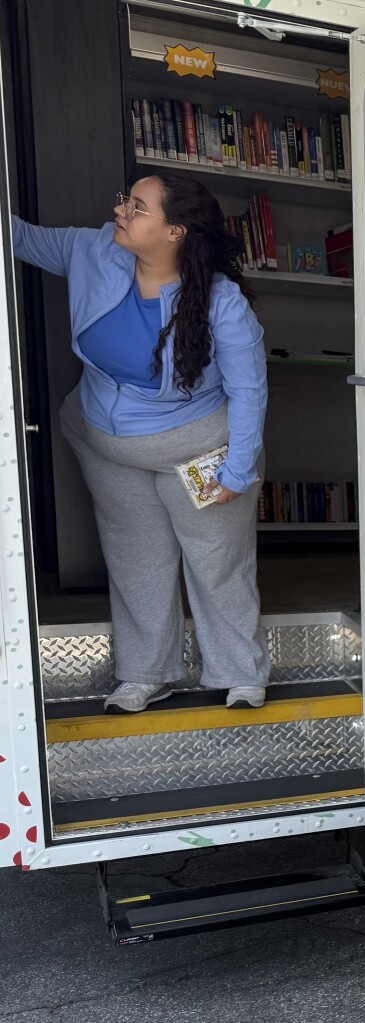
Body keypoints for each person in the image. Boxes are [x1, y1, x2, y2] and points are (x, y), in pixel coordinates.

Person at [11, 175, 271, 711]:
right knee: (135, 561)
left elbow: (249, 392)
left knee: (216, 561)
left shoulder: (221, 302)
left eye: (137, 206)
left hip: (198, 450)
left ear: (175, 231)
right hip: (108, 447)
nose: (120, 211)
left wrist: (238, 471)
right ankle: (147, 673)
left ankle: (240, 673)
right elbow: (18, 238)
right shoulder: (92, 250)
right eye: (124, 201)